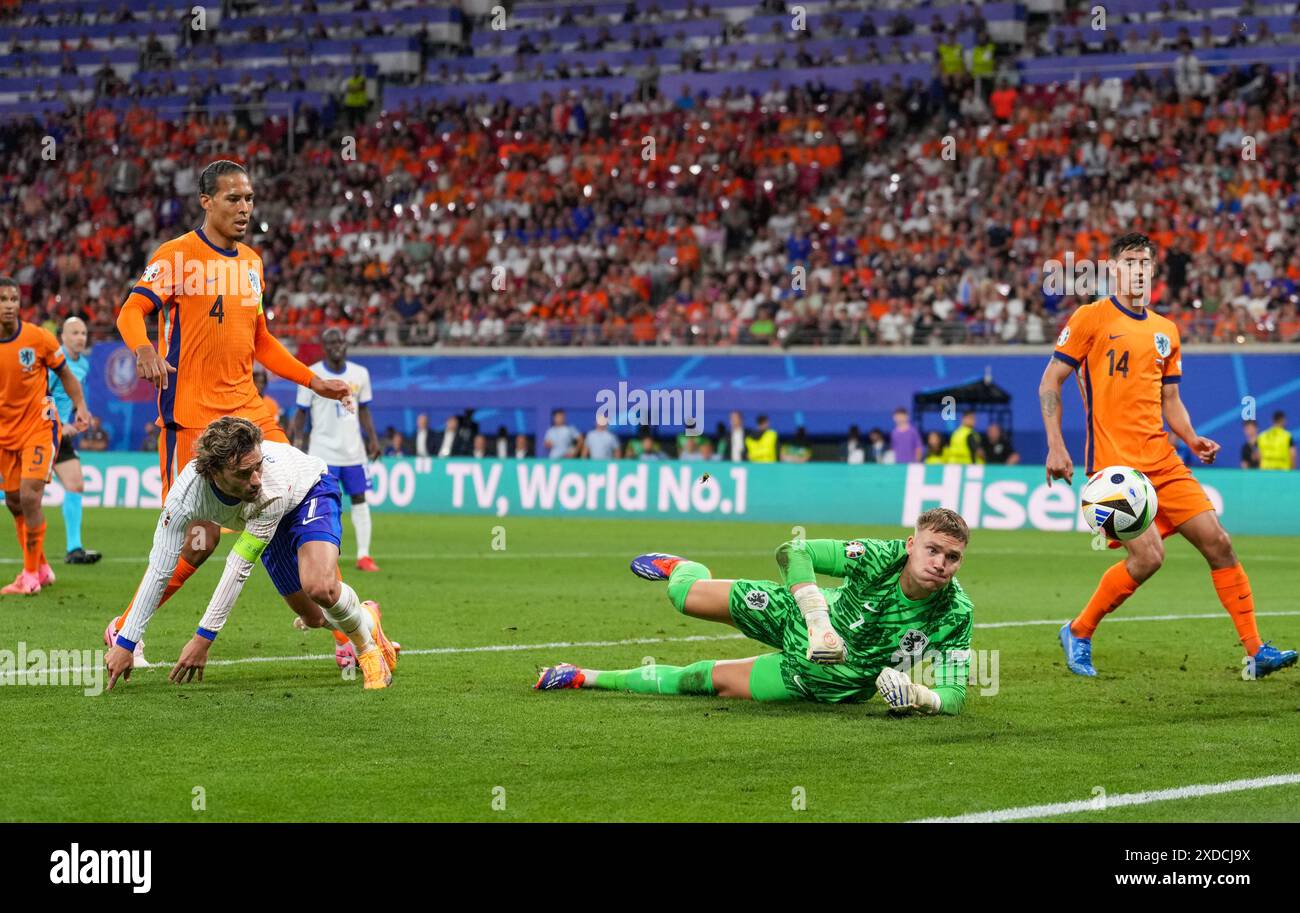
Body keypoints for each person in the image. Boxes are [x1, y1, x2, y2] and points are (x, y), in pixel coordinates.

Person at [109, 160, 351, 661]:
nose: (244, 208)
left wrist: (313, 379)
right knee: (198, 542)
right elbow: (130, 311)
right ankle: (124, 629)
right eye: (233, 199)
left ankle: (347, 637)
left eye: (249, 199)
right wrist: (143, 350)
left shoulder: (253, 263)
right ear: (206, 201)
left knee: (297, 501)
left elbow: (261, 340)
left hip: (250, 414)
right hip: (193, 421)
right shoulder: (175, 256)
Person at [1042, 232, 1295, 679]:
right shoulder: (1090, 318)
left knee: (1219, 543)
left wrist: (1193, 438)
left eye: (1145, 262)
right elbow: (1050, 383)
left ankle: (1255, 653)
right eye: (1129, 261)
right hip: (1114, 470)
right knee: (1149, 559)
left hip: (1163, 459)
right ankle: (1079, 631)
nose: (1138, 269)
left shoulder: (1166, 331)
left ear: (1153, 272)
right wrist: (1056, 445)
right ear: (1114, 269)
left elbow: (1170, 400)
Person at [536, 507, 973, 715]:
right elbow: (794, 550)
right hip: (794, 614)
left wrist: (919, 696)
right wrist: (819, 622)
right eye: (932, 550)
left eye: (951, 558)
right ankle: (684, 567)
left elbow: (953, 698)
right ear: (912, 544)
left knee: (700, 681)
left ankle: (582, 675)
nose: (940, 564)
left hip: (820, 681)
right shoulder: (878, 556)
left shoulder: (955, 614)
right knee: (683, 597)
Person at [103, 418, 398, 691]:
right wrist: (126, 642)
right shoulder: (183, 498)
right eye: (245, 473)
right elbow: (159, 570)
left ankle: (368, 650)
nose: (256, 479)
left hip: (309, 491)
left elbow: (237, 568)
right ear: (213, 472)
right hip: (266, 521)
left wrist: (202, 639)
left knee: (320, 587)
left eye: (258, 467)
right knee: (315, 618)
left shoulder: (268, 490)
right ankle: (367, 615)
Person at [0, 278, 93, 595]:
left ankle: (28, 577)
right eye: (3, 299)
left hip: (40, 427)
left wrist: (80, 406)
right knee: (14, 502)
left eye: (13, 299)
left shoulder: (38, 338)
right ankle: (41, 566)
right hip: (5, 434)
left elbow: (65, 374)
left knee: (29, 496)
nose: (9, 305)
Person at [292, 328, 383, 573]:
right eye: (331, 341)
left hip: (354, 452)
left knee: (360, 499)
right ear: (324, 346)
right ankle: (322, 556)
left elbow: (364, 409)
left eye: (340, 340)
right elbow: (301, 412)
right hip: (323, 453)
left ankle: (364, 555)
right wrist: (297, 442)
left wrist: (373, 439)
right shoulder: (312, 374)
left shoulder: (360, 374)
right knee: (322, 503)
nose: (337, 345)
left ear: (345, 343)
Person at [46, 316, 102, 564]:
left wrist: (82, 411)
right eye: (75, 333)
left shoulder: (84, 365)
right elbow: (39, 395)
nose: (81, 337)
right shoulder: (54, 362)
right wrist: (59, 424)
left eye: (84, 333)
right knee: (23, 493)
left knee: (75, 484)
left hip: (60, 433)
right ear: (63, 337)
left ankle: (74, 549)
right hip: (40, 430)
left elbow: (74, 395)